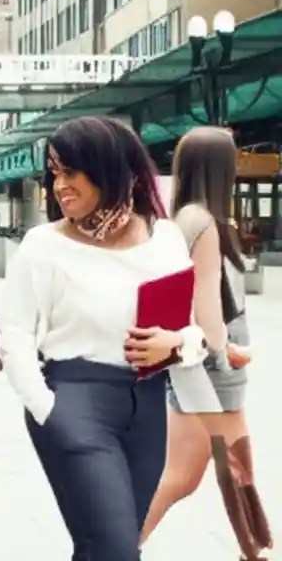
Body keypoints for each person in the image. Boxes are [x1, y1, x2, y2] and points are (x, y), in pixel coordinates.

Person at [0, 116, 210, 561]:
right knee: (115, 550)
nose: (59, 185)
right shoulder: (43, 245)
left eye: (71, 171)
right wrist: (47, 409)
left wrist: (173, 344)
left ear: (112, 170)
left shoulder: (165, 238)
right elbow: (14, 332)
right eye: (54, 172)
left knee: (106, 546)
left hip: (148, 407)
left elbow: (194, 333)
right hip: (75, 401)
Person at [141, 126, 272, 559]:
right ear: (221, 170)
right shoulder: (206, 224)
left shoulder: (183, 220)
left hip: (196, 363)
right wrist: (226, 352)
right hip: (214, 364)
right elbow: (207, 307)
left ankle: (255, 551)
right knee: (192, 474)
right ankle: (114, 546)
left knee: (228, 469)